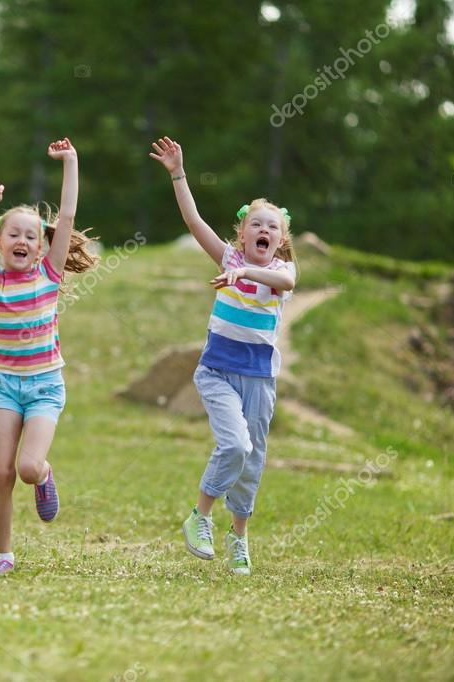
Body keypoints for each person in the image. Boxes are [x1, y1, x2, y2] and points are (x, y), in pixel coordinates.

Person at [149, 136, 297, 576]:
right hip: (217, 373)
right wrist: (178, 174)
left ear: (281, 240)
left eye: (271, 226)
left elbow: (286, 285)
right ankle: (199, 516)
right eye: (256, 224)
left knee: (252, 463)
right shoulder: (227, 257)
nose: (263, 230)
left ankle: (239, 538)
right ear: (242, 234)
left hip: (260, 381)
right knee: (235, 444)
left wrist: (242, 272)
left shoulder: (281, 272)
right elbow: (194, 221)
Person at [0, 137, 98, 575]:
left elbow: (65, 216)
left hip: (44, 386)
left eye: (31, 235)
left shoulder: (49, 274)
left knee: (25, 468)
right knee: (1, 473)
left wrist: (71, 162)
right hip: (4, 387)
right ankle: (4, 553)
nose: (22, 239)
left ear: (42, 247)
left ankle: (44, 475)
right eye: (13, 234)